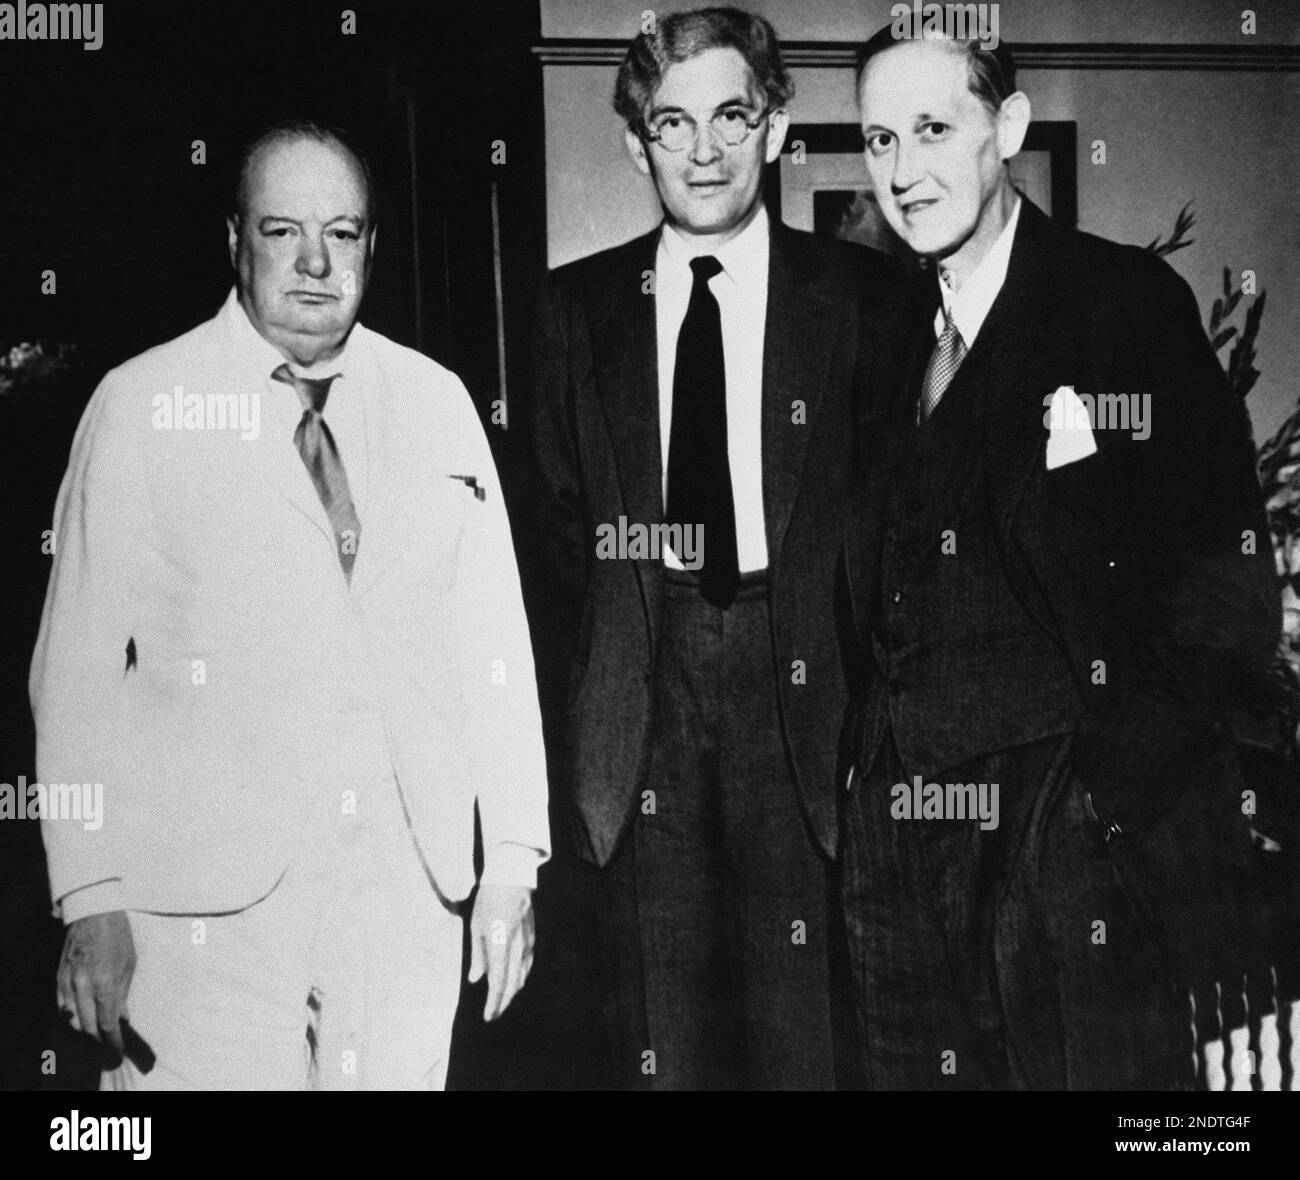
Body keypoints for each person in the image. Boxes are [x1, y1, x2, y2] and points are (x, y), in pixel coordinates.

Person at [32, 119, 549, 1090]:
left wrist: (512, 860)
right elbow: (77, 675)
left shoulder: (435, 402)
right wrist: (89, 894)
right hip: (200, 901)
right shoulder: (144, 405)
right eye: (282, 231)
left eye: (343, 233)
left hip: (403, 885)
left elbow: (495, 647)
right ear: (234, 239)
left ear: (370, 246)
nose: (315, 262)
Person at [840, 27, 1279, 1089]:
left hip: (1064, 844)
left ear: (1010, 128)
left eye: (932, 130)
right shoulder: (880, 335)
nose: (901, 171)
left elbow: (1224, 577)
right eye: (877, 139)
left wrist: (1108, 792)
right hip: (901, 846)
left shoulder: (1118, 305)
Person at [527, 7, 901, 1089]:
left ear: (776, 128)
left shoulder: (867, 301)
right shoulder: (572, 309)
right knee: (662, 1055)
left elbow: (894, 535)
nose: (702, 150)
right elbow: (553, 538)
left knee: (806, 1052)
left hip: (806, 718)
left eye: (731, 116)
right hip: (642, 714)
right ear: (635, 140)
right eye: (672, 122)